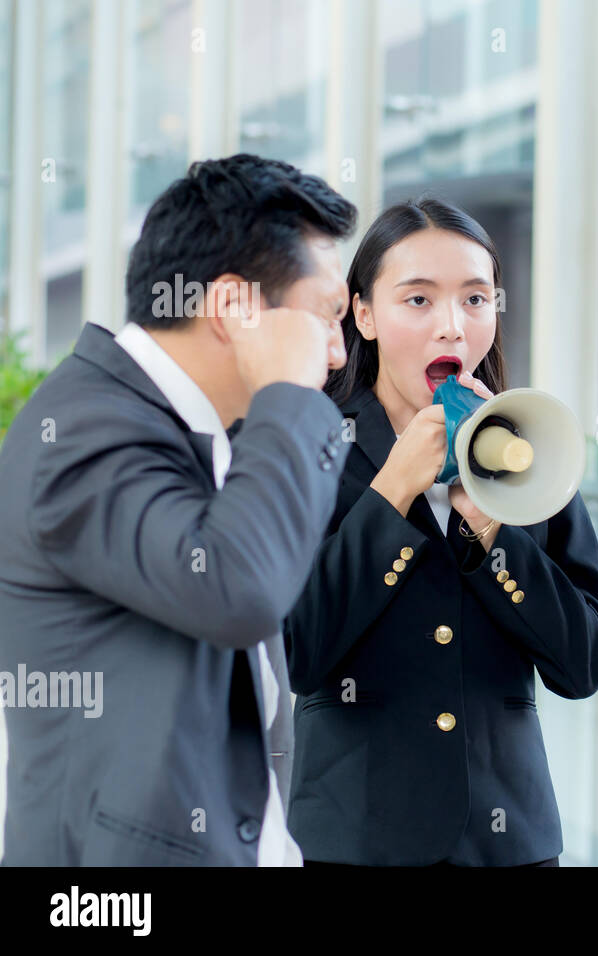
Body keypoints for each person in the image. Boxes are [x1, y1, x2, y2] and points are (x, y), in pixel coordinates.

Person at [0, 154, 356, 865]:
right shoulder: (83, 431)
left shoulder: (186, 428)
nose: (339, 352)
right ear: (231, 308)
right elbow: (238, 589)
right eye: (326, 316)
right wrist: (289, 391)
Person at [283, 196, 598, 867]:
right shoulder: (307, 444)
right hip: (358, 840)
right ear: (365, 316)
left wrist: (495, 533)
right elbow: (296, 653)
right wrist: (391, 491)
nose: (452, 328)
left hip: (510, 844)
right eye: (418, 301)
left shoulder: (527, 446)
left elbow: (585, 664)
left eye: (474, 299)